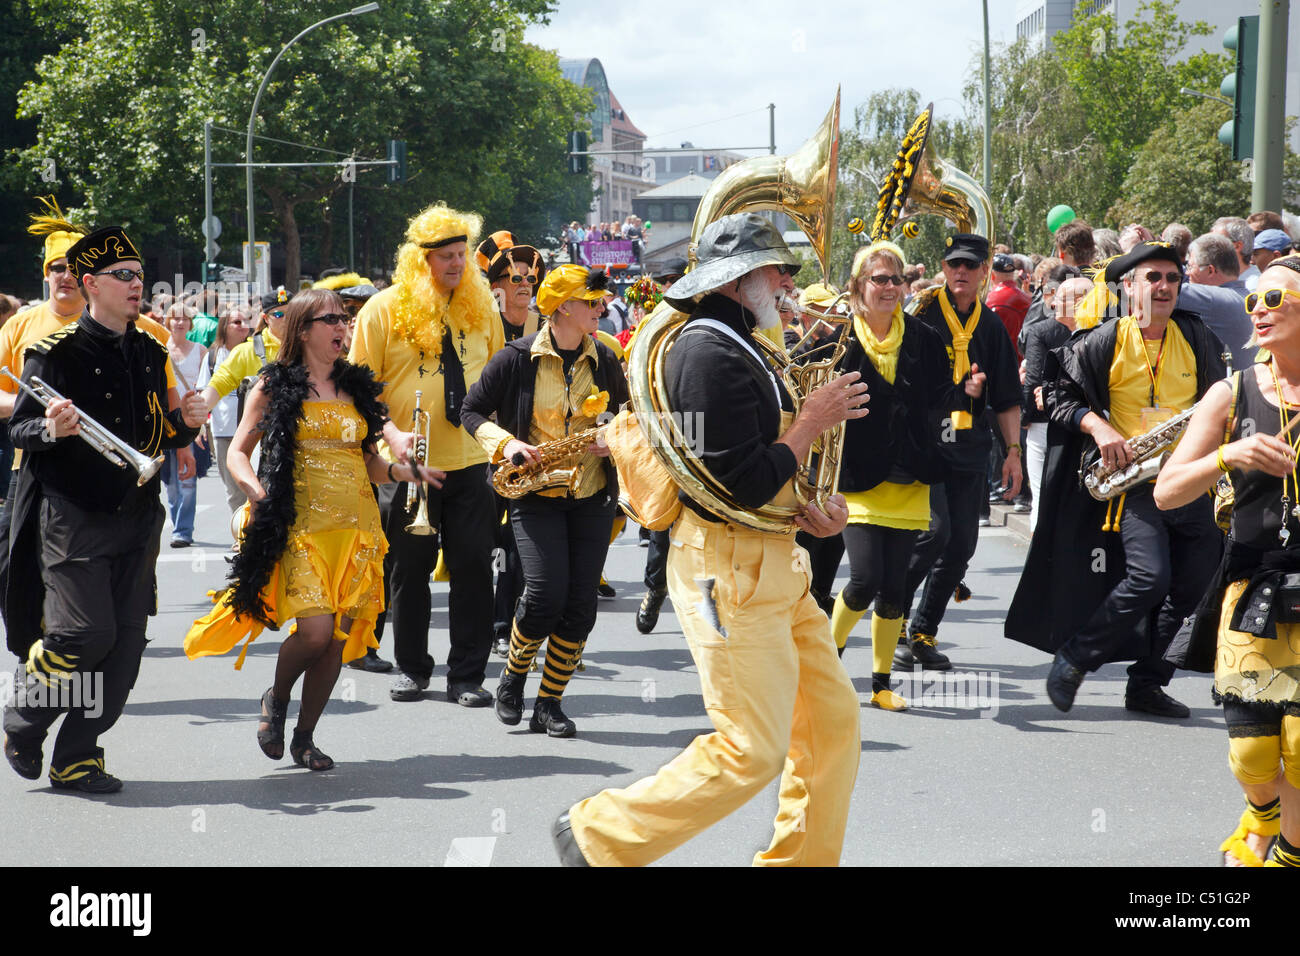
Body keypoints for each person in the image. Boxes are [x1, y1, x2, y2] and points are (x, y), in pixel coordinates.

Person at [552, 212, 868, 867]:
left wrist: (817, 510)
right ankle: (599, 836)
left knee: (834, 723)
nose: (787, 282)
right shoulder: (707, 350)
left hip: (773, 560)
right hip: (728, 568)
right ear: (737, 280)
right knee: (750, 748)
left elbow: (766, 472)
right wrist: (813, 418)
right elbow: (743, 478)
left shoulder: (745, 343)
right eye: (775, 269)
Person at [184, 289, 441, 770]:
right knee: (315, 631)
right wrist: (254, 493)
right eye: (332, 320)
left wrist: (405, 472)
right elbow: (239, 450)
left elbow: (369, 462)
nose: (344, 328)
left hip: (358, 528)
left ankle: (305, 737)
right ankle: (276, 697)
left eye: (346, 319)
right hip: (301, 524)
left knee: (338, 639)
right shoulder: (272, 385)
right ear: (303, 329)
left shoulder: (358, 389)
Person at [2, 225, 206, 793]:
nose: (137, 285)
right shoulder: (55, 352)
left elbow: (155, 434)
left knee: (125, 646)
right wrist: (50, 426)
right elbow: (20, 428)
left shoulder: (149, 346)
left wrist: (184, 427)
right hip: (74, 513)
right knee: (82, 634)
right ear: (91, 284)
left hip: (137, 513)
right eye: (124, 277)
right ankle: (23, 720)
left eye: (140, 275)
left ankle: (77, 755)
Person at [1007, 241, 1228, 717]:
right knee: (1150, 578)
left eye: (1172, 277)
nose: (1164, 287)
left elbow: (1219, 400)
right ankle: (1076, 657)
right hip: (1136, 483)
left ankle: (1147, 683)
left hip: (1190, 479)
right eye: (1153, 278)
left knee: (1196, 585)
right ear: (1128, 287)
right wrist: (1099, 426)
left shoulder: (1198, 336)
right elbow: (1057, 397)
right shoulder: (1101, 340)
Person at [1153, 256, 1300, 867]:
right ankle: (1260, 815)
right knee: (1253, 756)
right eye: (1253, 301)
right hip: (1255, 584)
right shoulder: (1232, 391)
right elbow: (1166, 490)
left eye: (1274, 299)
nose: (1259, 311)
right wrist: (1230, 453)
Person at [461, 265, 628, 737]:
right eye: (590, 302)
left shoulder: (608, 358)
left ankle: (549, 703)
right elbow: (470, 410)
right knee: (542, 595)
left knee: (580, 606)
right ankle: (512, 679)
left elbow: (629, 412)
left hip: (592, 495)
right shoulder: (515, 359)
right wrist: (506, 443)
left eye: (599, 302)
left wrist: (611, 434)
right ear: (561, 309)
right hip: (535, 493)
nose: (600, 309)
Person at [349, 202, 504, 707]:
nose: (457, 264)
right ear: (422, 261)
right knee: (408, 570)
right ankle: (412, 668)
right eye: (445, 257)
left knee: (474, 569)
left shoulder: (484, 309)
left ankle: (467, 676)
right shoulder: (383, 309)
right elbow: (359, 388)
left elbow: (499, 384)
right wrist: (389, 434)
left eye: (462, 255)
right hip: (407, 464)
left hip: (472, 460)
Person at [829, 240, 985, 709]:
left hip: (911, 477)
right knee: (864, 578)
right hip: (857, 477)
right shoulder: (839, 341)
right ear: (859, 286)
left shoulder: (923, 338)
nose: (891, 287)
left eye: (897, 279)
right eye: (880, 279)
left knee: (894, 587)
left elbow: (943, 404)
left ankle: (879, 685)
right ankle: (827, 666)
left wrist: (968, 397)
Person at [895, 233, 1023, 670]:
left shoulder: (989, 326)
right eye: (953, 265)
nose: (961, 272)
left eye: (970, 265)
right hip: (925, 446)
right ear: (943, 268)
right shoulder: (920, 315)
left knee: (962, 545)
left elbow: (1007, 397)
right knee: (935, 533)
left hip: (969, 448)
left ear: (985, 270)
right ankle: (891, 617)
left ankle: (923, 632)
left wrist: (1013, 451)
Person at [475, 230, 547, 655]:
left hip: (531, 451)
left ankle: (507, 626)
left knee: (523, 545)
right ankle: (481, 624)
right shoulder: (480, 324)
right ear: (496, 287)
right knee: (482, 543)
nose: (525, 286)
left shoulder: (545, 326)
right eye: (515, 279)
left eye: (530, 280)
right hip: (484, 448)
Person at [1021, 271, 1088, 531]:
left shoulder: (1098, 335)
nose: (1051, 304)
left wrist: (1027, 415)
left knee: (1043, 493)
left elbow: (1034, 378)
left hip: (1056, 423)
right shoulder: (1106, 331)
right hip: (1073, 422)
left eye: (1059, 299)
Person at [196, 305, 252, 515]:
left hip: (253, 432)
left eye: (246, 321)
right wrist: (199, 426)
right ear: (224, 327)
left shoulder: (257, 352)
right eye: (237, 322)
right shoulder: (213, 356)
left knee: (256, 487)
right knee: (233, 490)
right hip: (223, 432)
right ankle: (240, 535)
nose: (243, 326)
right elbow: (203, 391)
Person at [162, 303, 206, 547]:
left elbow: (206, 387)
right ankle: (178, 522)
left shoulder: (200, 351)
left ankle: (183, 530)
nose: (179, 322)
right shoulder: (160, 349)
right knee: (170, 481)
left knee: (187, 478)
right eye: (175, 318)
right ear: (168, 321)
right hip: (166, 419)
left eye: (184, 319)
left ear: (190, 324)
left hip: (189, 421)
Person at [1179, 233, 1254, 371]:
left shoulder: (1211, 298)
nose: (1187, 273)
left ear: (1210, 270)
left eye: (1190, 266)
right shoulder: (1247, 297)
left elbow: (1150, 292)